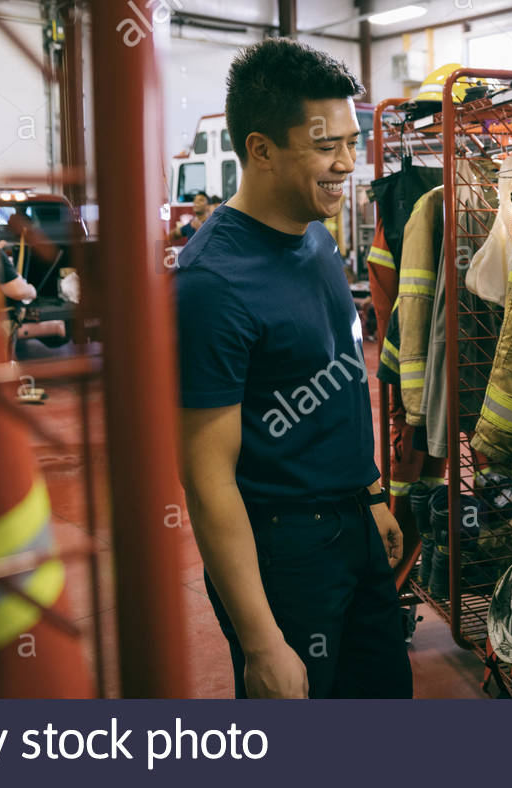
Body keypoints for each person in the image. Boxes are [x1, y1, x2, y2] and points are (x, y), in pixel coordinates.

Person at [175, 38, 413, 699]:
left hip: (354, 527)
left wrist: (371, 496)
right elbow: (207, 480)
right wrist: (261, 642)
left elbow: (340, 384)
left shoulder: (312, 234)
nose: (349, 163)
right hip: (284, 554)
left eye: (351, 140)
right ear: (261, 150)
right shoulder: (211, 284)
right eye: (327, 145)